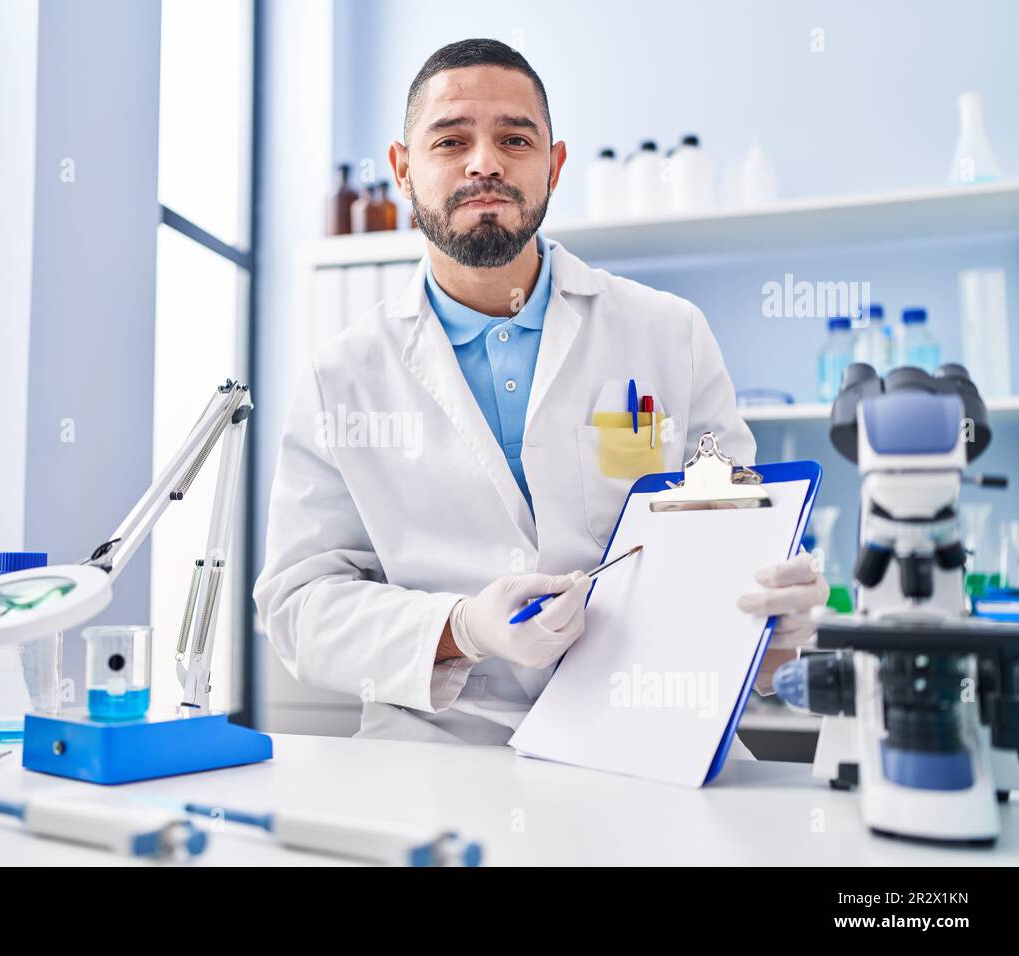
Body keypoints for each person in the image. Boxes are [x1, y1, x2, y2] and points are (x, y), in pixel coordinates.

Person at [255, 38, 827, 745]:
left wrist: (772, 624)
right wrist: (460, 629)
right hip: (437, 749)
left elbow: (735, 536)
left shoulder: (668, 334)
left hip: (649, 735)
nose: (485, 162)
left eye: (514, 138)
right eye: (451, 139)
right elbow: (297, 604)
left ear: (553, 165)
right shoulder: (341, 377)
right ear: (403, 170)